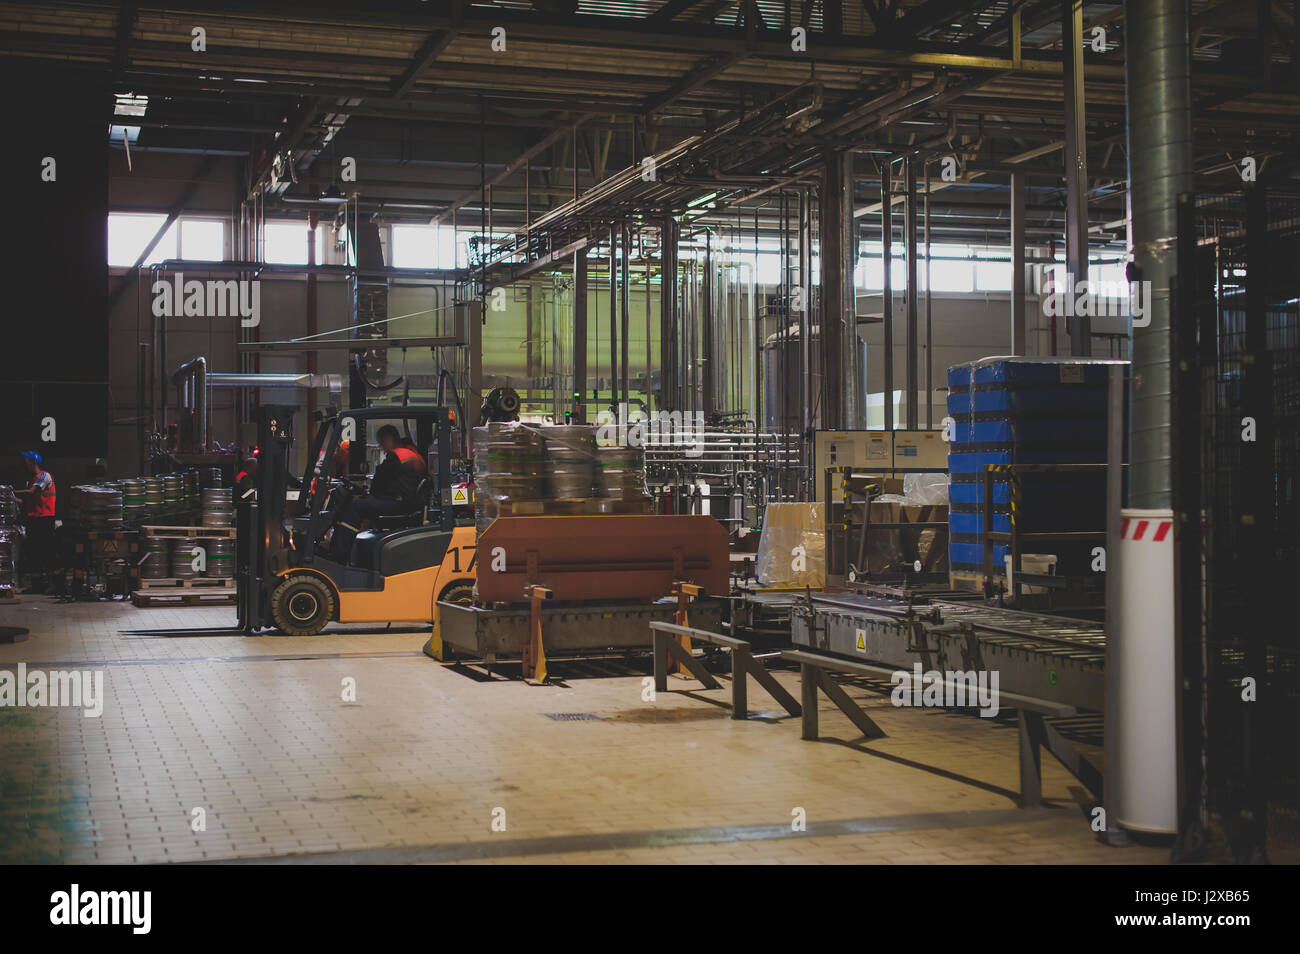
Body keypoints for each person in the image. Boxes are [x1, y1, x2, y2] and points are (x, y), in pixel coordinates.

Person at [328, 425, 426, 561]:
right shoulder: (410, 452)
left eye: (382, 442)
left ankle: (339, 554)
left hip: (400, 504)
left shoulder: (397, 455)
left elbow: (380, 479)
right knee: (363, 504)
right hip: (406, 502)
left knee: (355, 506)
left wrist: (370, 494)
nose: (382, 447)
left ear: (388, 438)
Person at [16, 451, 56, 593]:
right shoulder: (32, 479)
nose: (24, 463)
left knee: (46, 552)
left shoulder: (44, 476)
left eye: (26, 460)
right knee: (34, 553)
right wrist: (10, 498)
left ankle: (53, 585)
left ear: (33, 461)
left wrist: (10, 491)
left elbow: (32, 492)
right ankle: (37, 585)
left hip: (44, 519)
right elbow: (26, 501)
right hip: (34, 520)